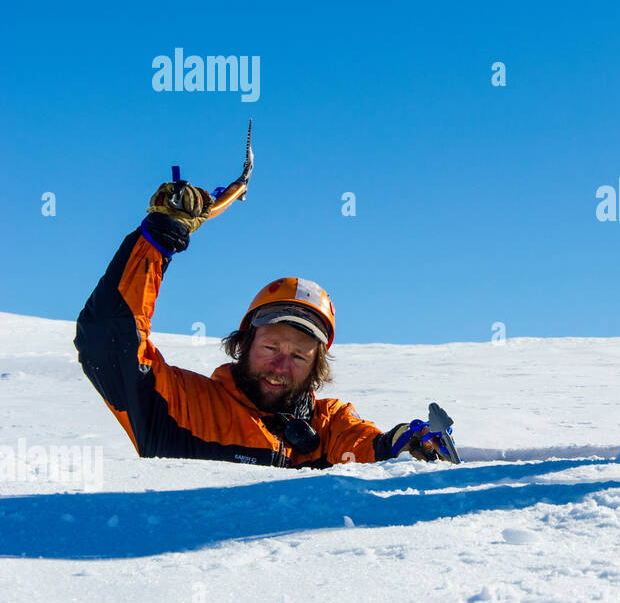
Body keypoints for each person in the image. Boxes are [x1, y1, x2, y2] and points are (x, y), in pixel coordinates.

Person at [75, 180, 457, 468]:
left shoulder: (328, 425)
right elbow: (108, 338)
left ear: (317, 368)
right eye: (270, 348)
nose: (280, 366)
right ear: (243, 345)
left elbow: (364, 446)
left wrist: (401, 445)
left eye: (298, 356)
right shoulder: (183, 404)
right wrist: (158, 238)